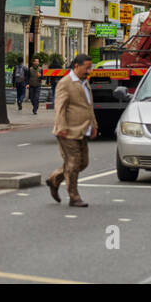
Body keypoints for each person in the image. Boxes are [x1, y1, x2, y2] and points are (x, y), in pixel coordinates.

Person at [48, 54, 98, 208]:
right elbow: (60, 107)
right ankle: (74, 197)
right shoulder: (65, 83)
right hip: (68, 130)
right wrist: (61, 126)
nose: (89, 71)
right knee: (73, 163)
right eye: (86, 67)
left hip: (83, 128)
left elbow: (88, 106)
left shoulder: (84, 83)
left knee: (83, 162)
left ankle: (54, 179)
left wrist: (94, 125)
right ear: (76, 66)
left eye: (90, 67)